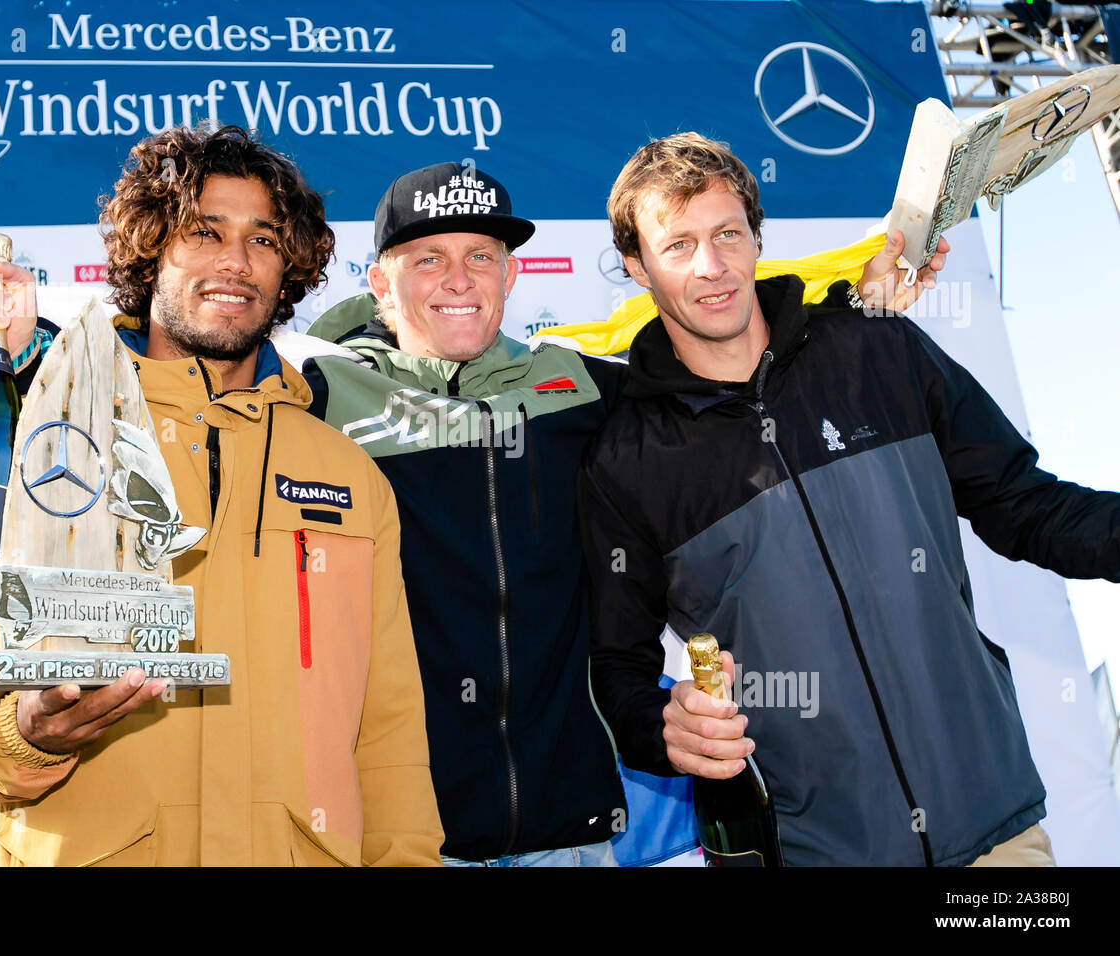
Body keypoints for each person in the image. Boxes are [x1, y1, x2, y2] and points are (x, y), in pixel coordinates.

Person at [293, 161, 942, 865]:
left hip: (572, 839)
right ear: (381, 281)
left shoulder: (581, 385)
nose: (459, 279)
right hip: (401, 839)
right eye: (429, 259)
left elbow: (706, 318)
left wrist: (853, 297)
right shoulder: (320, 396)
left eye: (481, 255)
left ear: (510, 276)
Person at [0, 124, 444, 866]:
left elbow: (389, 731)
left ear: (291, 269)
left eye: (265, 240)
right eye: (203, 231)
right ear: (151, 249)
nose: (236, 262)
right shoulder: (36, 438)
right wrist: (23, 733)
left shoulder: (349, 475)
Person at [578, 132, 1120, 865]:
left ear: (757, 238)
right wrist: (663, 729)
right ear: (638, 266)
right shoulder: (625, 460)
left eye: (727, 234)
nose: (712, 267)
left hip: (994, 831)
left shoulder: (876, 350)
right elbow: (618, 669)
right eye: (677, 246)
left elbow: (1025, 504)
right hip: (810, 851)